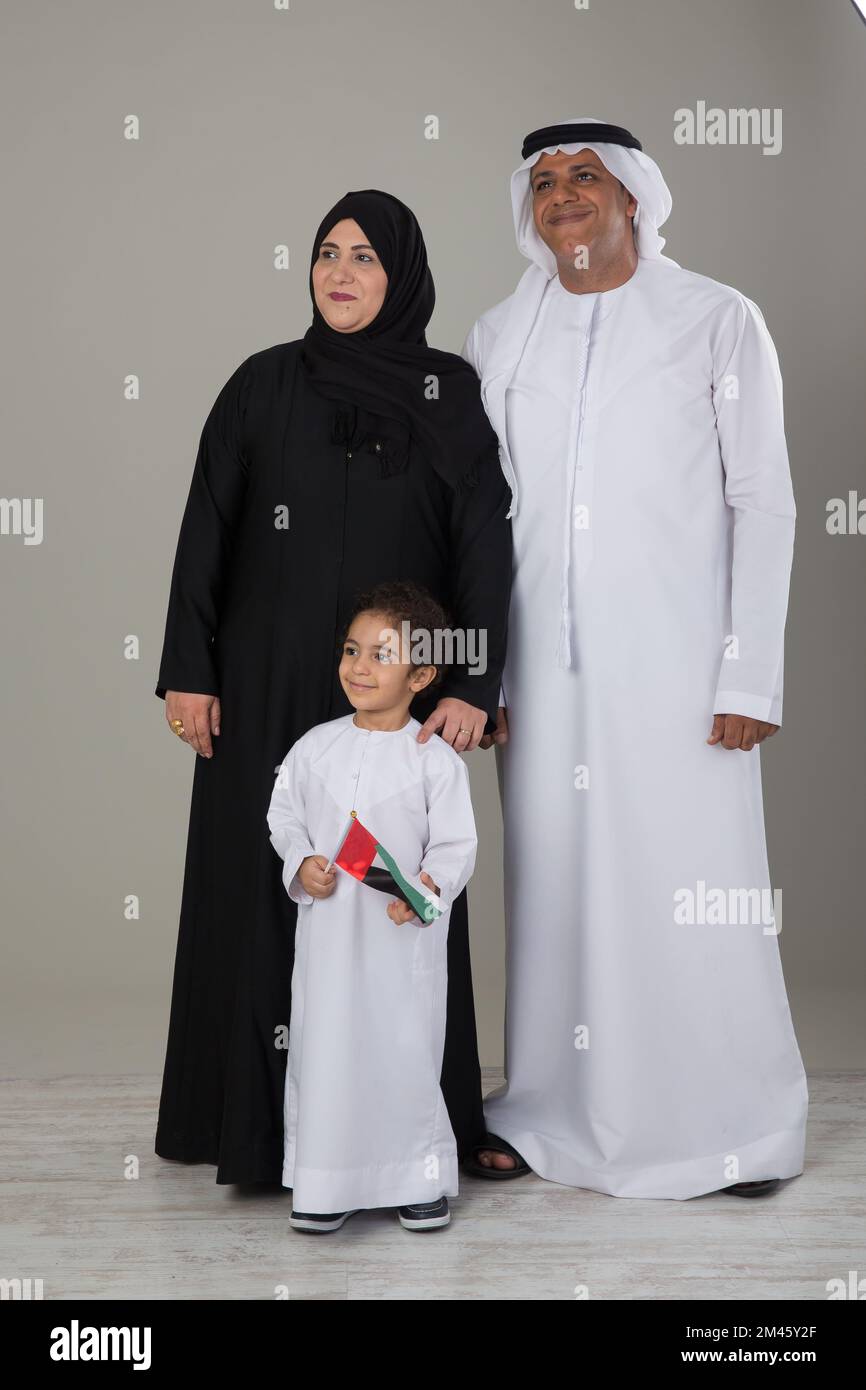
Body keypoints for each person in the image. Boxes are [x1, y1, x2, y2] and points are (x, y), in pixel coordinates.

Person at [461, 117, 808, 1199]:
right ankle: (549, 1111)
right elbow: (483, 517)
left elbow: (763, 499)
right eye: (546, 180)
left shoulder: (714, 318)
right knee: (556, 886)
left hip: (679, 667)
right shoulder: (496, 334)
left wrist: (747, 671)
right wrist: (489, 671)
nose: (563, 195)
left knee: (688, 886)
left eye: (586, 177)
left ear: (632, 197)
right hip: (543, 674)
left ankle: (733, 1123)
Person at [154, 189, 511, 1185]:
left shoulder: (448, 390)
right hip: (264, 686)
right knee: (276, 883)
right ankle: (254, 1130)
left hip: (400, 701)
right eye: (325, 253)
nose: (340, 272)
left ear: (400, 276)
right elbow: (205, 537)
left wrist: (472, 680)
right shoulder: (260, 386)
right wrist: (189, 671)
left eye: (363, 256)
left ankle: (423, 1129)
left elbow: (484, 547)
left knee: (398, 893)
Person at [267, 582, 478, 1232]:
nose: (358, 667)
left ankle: (415, 1178)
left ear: (421, 674)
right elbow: (283, 816)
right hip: (330, 938)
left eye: (379, 655)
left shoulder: (434, 762)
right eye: (351, 650)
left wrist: (427, 894)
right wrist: (302, 864)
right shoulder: (314, 747)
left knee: (403, 1049)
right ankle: (325, 1184)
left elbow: (455, 846)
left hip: (400, 942)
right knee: (326, 1050)